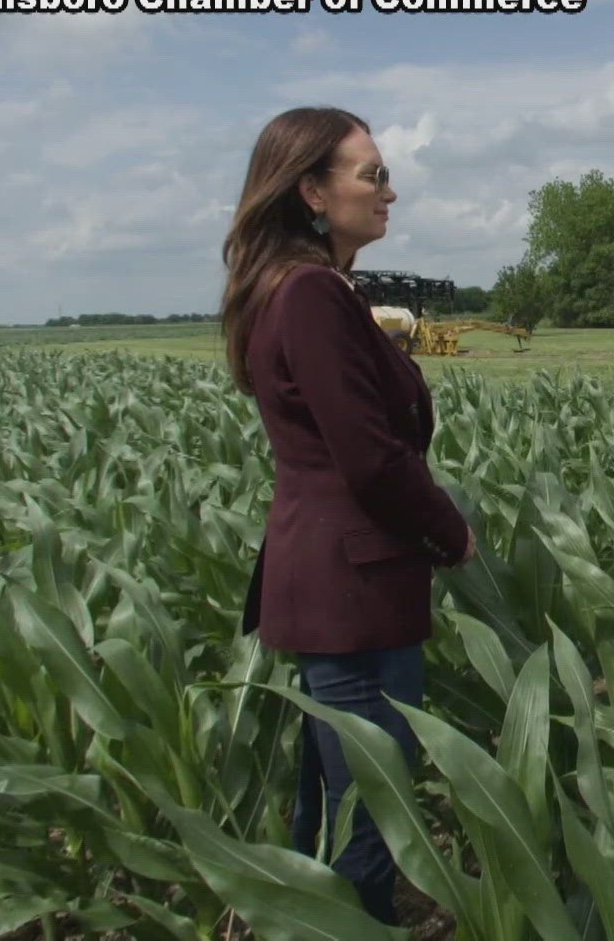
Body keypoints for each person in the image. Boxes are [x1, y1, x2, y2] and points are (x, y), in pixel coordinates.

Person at [220, 106, 476, 926]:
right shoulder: (311, 295)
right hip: (354, 591)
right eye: (372, 176)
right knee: (372, 813)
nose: (390, 192)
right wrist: (451, 530)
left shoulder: (303, 289)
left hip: (337, 583)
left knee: (340, 801)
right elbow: (368, 458)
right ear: (312, 193)